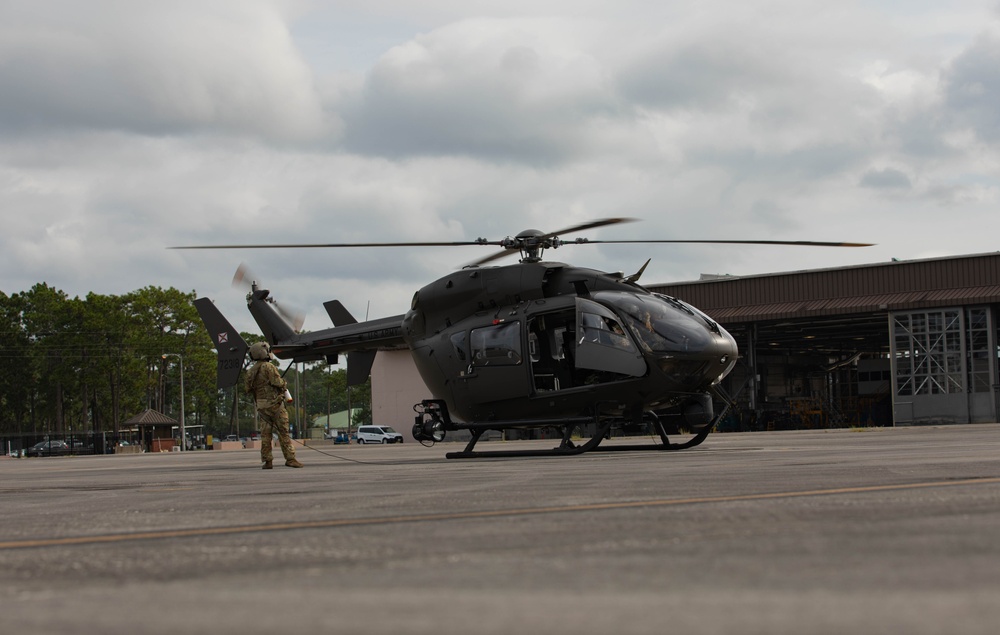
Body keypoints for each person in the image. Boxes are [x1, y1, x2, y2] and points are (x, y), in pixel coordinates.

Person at [244, 341, 303, 469]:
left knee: (265, 435)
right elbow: (277, 382)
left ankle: (268, 461)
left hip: (262, 407)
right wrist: (284, 384)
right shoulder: (268, 367)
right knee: (283, 432)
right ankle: (290, 459)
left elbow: (248, 389)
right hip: (275, 405)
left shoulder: (251, 371)